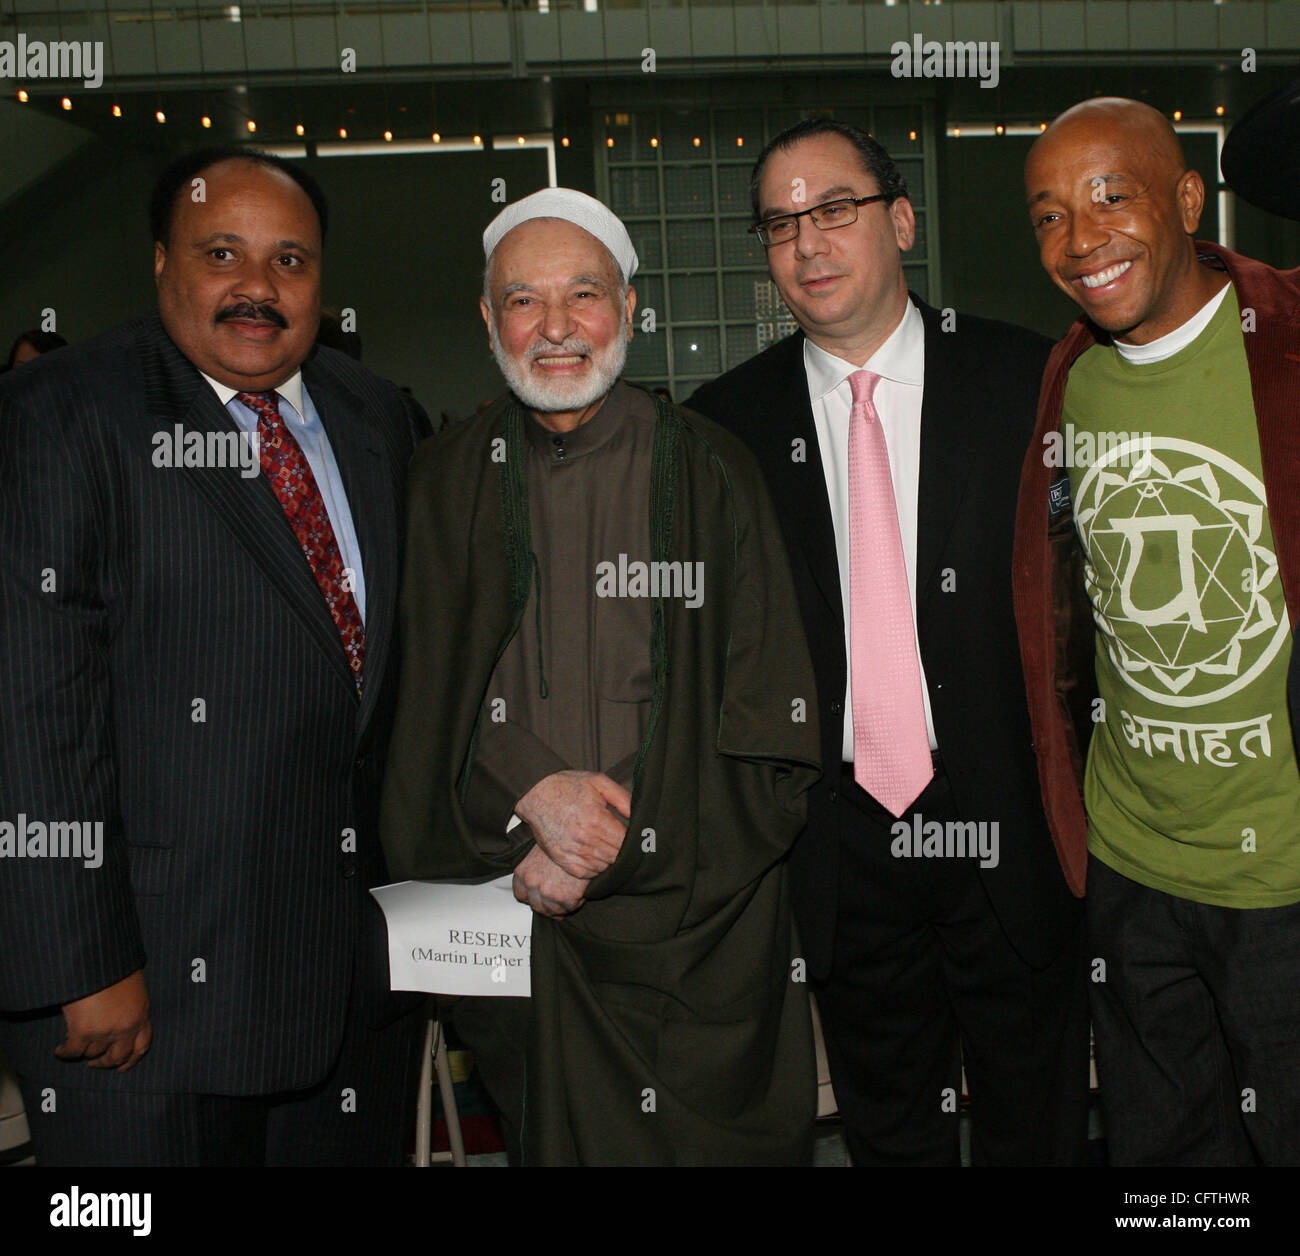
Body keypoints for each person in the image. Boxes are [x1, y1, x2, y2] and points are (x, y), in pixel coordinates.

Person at [0, 147, 431, 1166]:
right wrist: (81, 961)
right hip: (141, 992)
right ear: (160, 263)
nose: (258, 287)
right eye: (221, 253)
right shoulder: (59, 416)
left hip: (344, 984)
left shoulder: (380, 416)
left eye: (291, 260)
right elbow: (28, 708)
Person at [379, 188, 821, 1166]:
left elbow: (771, 717)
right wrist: (528, 791)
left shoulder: (713, 471)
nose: (555, 327)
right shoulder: (442, 480)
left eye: (583, 294)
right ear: (488, 320)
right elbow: (417, 703)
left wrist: (608, 845)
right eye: (523, 301)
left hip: (692, 928)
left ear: (628, 307)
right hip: (509, 905)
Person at [686, 118, 1089, 1166]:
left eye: (833, 210)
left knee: (1032, 1116)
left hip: (1006, 821)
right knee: (886, 1125)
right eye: (780, 223)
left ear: (900, 219)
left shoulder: (1027, 379)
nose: (808, 243)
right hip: (839, 838)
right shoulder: (724, 425)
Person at [1016, 97, 1300, 1166]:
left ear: (1187, 200)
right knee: (1165, 1164)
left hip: (1283, 875)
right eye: (1047, 215)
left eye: (1108, 196)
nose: (1080, 240)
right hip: (1132, 870)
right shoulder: (1069, 383)